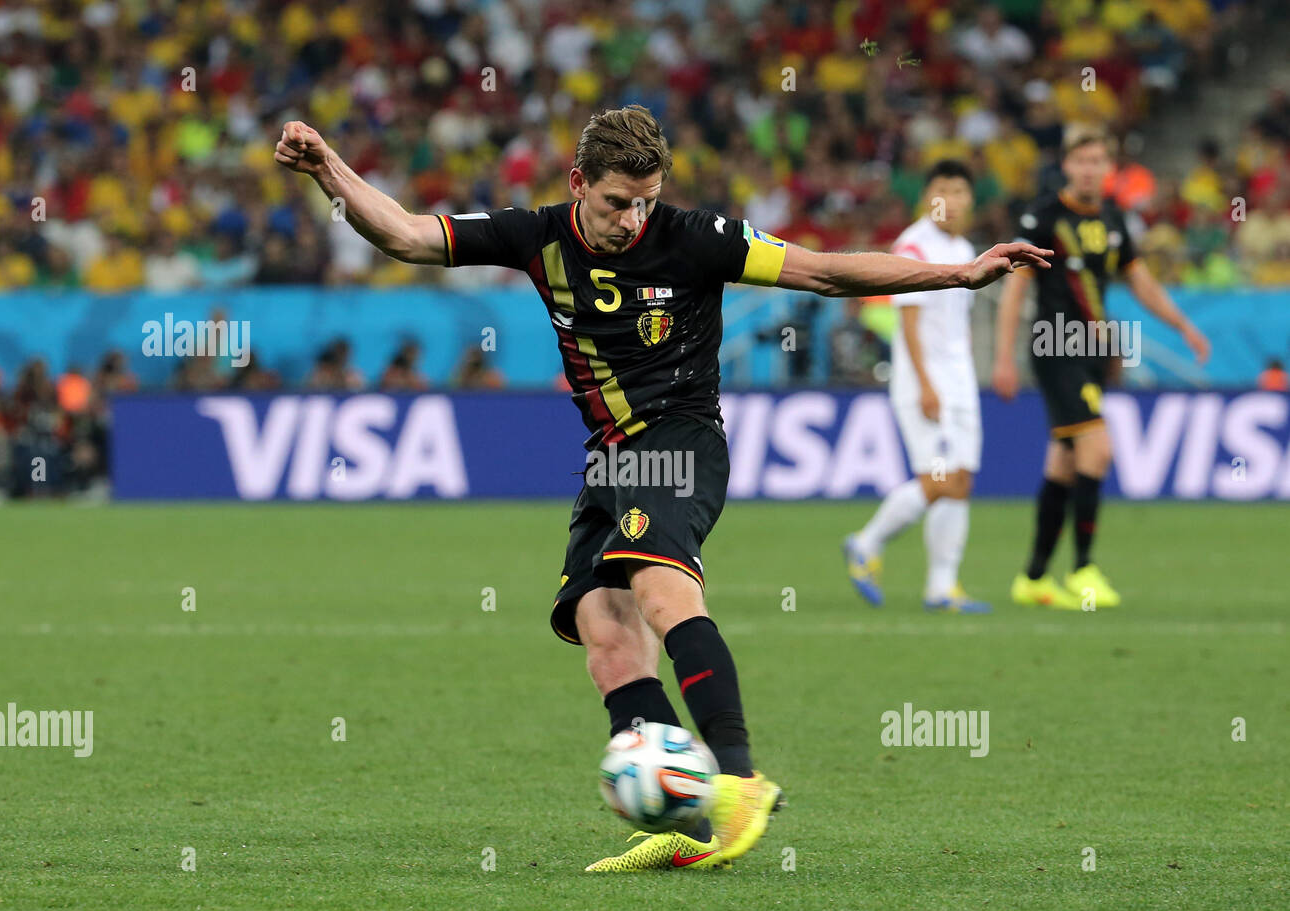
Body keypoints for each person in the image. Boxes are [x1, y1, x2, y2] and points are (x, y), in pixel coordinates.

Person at [275, 105, 1051, 871]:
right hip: (609, 458)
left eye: (646, 200)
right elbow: (408, 234)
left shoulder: (696, 238)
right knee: (604, 633)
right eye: (617, 202)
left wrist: (959, 272)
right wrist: (328, 171)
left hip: (681, 440)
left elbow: (821, 270)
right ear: (579, 183)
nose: (633, 218)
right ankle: (688, 813)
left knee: (660, 591)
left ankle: (740, 779)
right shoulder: (537, 236)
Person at [994, 127, 1210, 609]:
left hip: (1091, 351)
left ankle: (1032, 578)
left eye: (1099, 161)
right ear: (1067, 165)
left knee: (1065, 462)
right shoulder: (1044, 216)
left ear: (1109, 169)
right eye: (1082, 160)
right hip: (1055, 347)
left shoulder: (1113, 219)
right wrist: (1003, 356)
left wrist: (1184, 327)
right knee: (1099, 449)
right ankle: (1083, 570)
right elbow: (1015, 287)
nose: (1090, 168)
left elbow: (1142, 282)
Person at [844, 160, 990, 613]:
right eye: (943, 189)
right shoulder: (912, 246)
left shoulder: (964, 246)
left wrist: (964, 374)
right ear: (929, 197)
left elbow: (957, 323)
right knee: (939, 478)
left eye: (961, 189)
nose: (953, 199)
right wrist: (927, 385)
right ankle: (867, 542)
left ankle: (942, 587)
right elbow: (908, 322)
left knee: (961, 479)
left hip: (959, 381)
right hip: (922, 381)